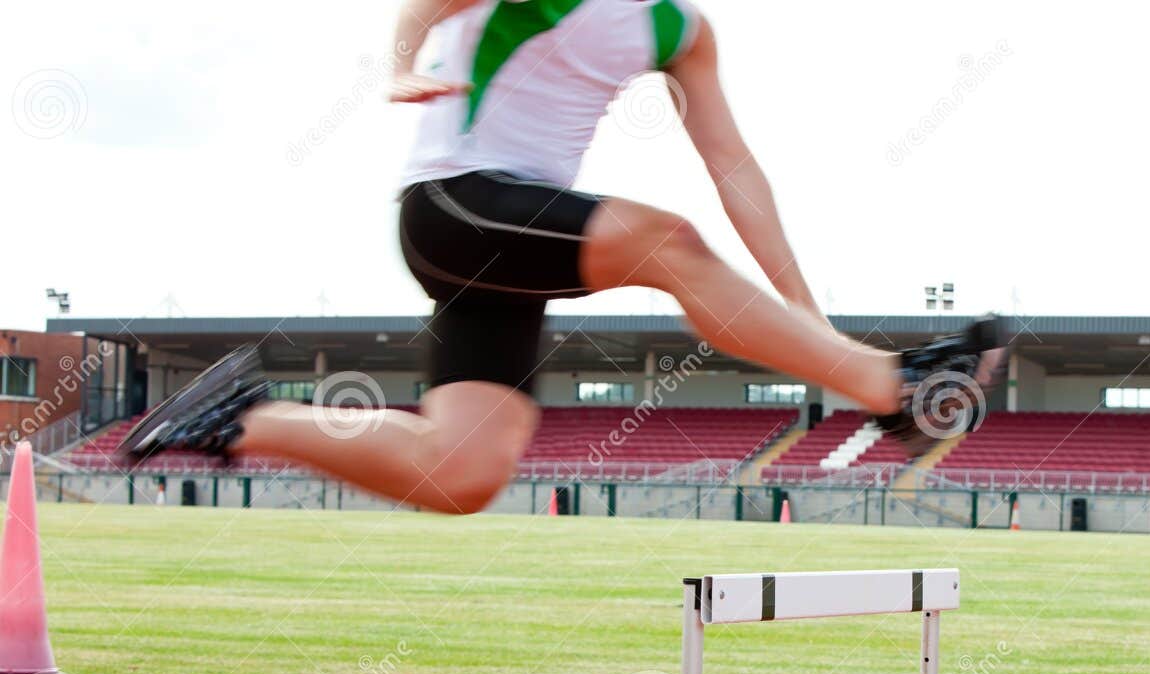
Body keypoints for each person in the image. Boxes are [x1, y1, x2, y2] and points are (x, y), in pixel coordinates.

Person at [121, 0, 1007, 513]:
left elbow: (733, 166)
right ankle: (898, 389)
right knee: (670, 242)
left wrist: (809, 324)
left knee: (462, 471)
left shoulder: (680, 27)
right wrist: (400, 63)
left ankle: (239, 417)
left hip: (513, 251)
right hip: (456, 204)